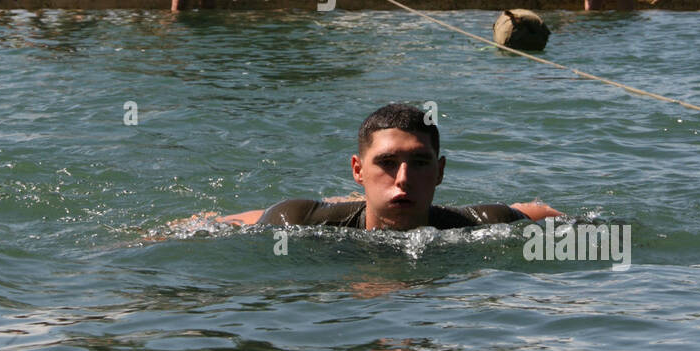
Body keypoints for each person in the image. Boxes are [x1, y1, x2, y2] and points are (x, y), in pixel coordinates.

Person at [218, 103, 561, 230]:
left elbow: (539, 212)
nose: (403, 179)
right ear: (358, 169)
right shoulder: (300, 220)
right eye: (386, 163)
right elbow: (223, 225)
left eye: (420, 163)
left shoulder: (484, 223)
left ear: (440, 171)